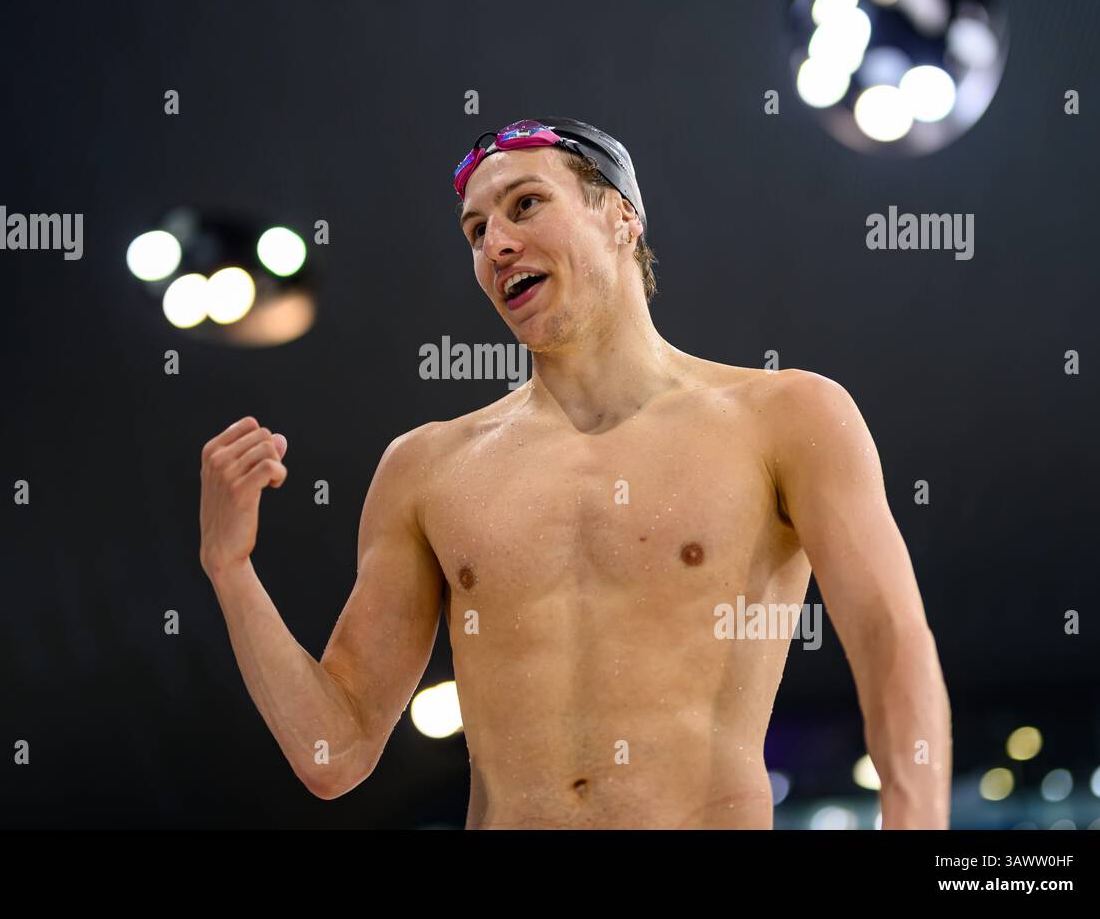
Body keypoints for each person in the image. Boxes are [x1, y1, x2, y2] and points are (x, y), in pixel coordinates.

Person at [199, 116, 951, 829]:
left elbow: (891, 641)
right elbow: (335, 754)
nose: (496, 242)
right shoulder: (426, 468)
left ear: (621, 215)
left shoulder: (788, 416)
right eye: (476, 230)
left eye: (525, 204)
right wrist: (230, 571)